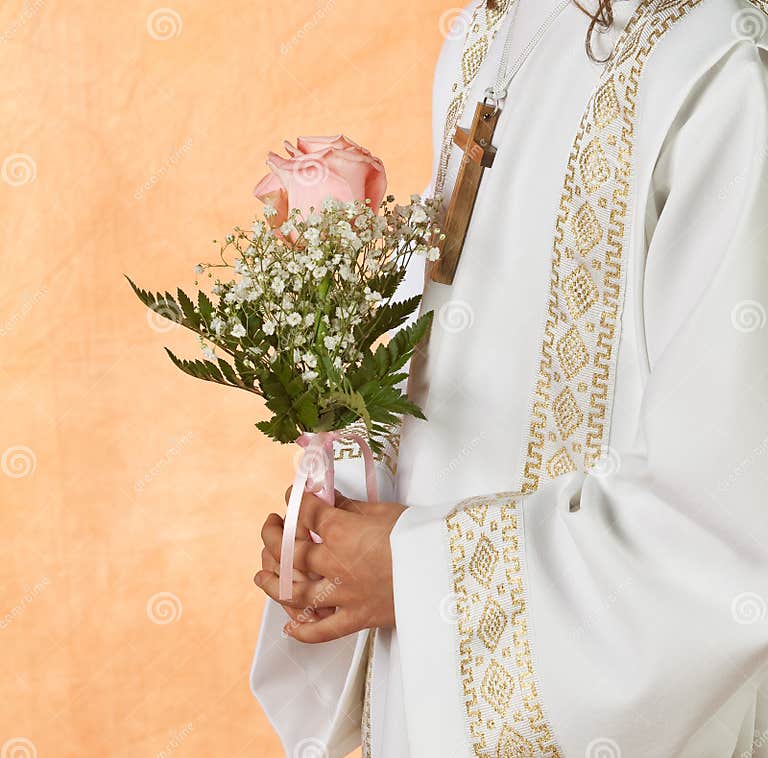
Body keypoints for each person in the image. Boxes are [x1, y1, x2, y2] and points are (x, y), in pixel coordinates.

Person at [251, 1, 768, 756]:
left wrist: (420, 572)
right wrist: (333, 529)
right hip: (427, 691)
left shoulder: (718, 62)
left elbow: (726, 514)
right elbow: (458, 359)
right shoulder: (486, 33)